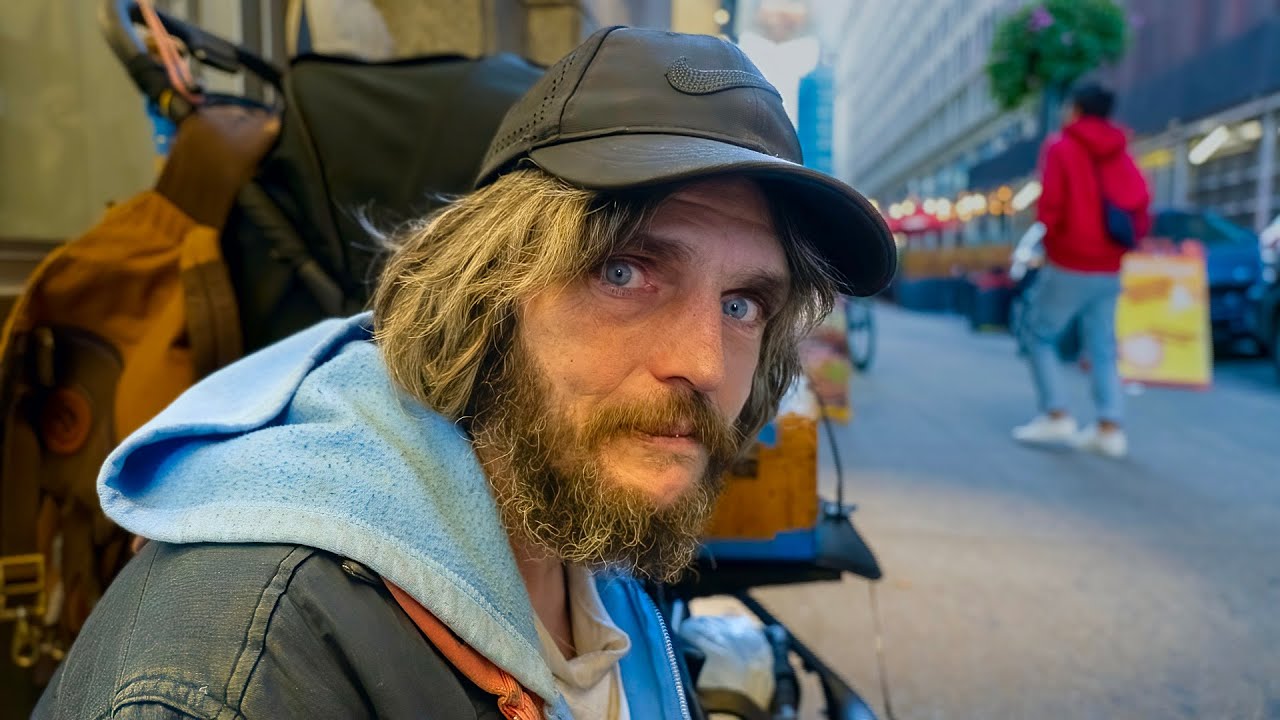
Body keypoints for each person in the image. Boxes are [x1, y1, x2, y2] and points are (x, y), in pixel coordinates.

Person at [34, 26, 895, 720]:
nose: (704, 363)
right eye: (623, 272)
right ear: (487, 290)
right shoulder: (238, 670)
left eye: (743, 303)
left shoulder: (580, 529)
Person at [1013, 82, 1151, 459]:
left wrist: (1055, 243)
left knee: (1038, 335)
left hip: (1070, 261)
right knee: (1102, 346)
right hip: (1110, 267)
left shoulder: (1061, 146)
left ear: (1075, 109)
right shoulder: (1120, 151)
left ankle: (1056, 413)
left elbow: (1051, 207)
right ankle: (1110, 427)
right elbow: (1141, 202)